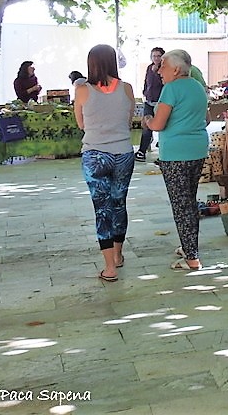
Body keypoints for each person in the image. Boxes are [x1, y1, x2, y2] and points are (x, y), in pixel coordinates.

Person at [73, 44, 136, 283]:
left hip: (94, 155)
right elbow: (129, 120)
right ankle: (119, 254)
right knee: (119, 202)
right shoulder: (127, 89)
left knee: (102, 208)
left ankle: (109, 267)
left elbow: (81, 124)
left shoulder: (82, 90)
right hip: (123, 152)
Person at [143, 49, 209, 271]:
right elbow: (206, 118)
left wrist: (148, 120)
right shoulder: (198, 87)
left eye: (163, 65)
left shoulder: (171, 89)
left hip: (176, 154)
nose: (159, 70)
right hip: (197, 149)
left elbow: (158, 124)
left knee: (182, 205)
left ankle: (192, 258)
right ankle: (189, 246)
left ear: (176, 69)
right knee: (189, 200)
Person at [137, 47, 165, 162]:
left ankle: (163, 154)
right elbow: (146, 82)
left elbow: (163, 83)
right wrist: (145, 92)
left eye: (158, 56)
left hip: (161, 102)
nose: (156, 58)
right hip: (149, 101)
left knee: (162, 127)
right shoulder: (149, 67)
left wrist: (156, 72)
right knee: (146, 126)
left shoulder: (165, 69)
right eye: (154, 56)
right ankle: (141, 152)